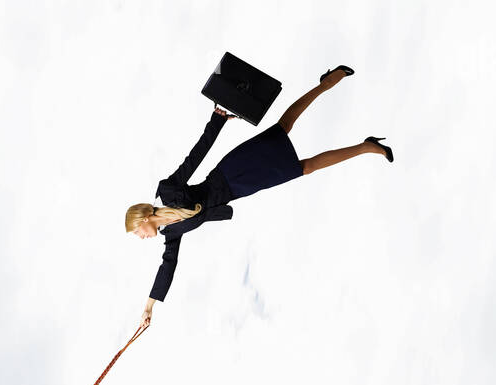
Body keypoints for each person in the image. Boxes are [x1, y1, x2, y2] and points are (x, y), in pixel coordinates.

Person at [127, 65, 394, 325]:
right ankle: (365, 147)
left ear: (141, 219)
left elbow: (195, 157)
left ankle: (324, 83)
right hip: (240, 189)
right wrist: (149, 307)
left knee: (284, 127)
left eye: (136, 232)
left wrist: (217, 119)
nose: (140, 237)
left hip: (230, 170)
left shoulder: (167, 190)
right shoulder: (171, 234)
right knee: (304, 168)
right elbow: (167, 267)